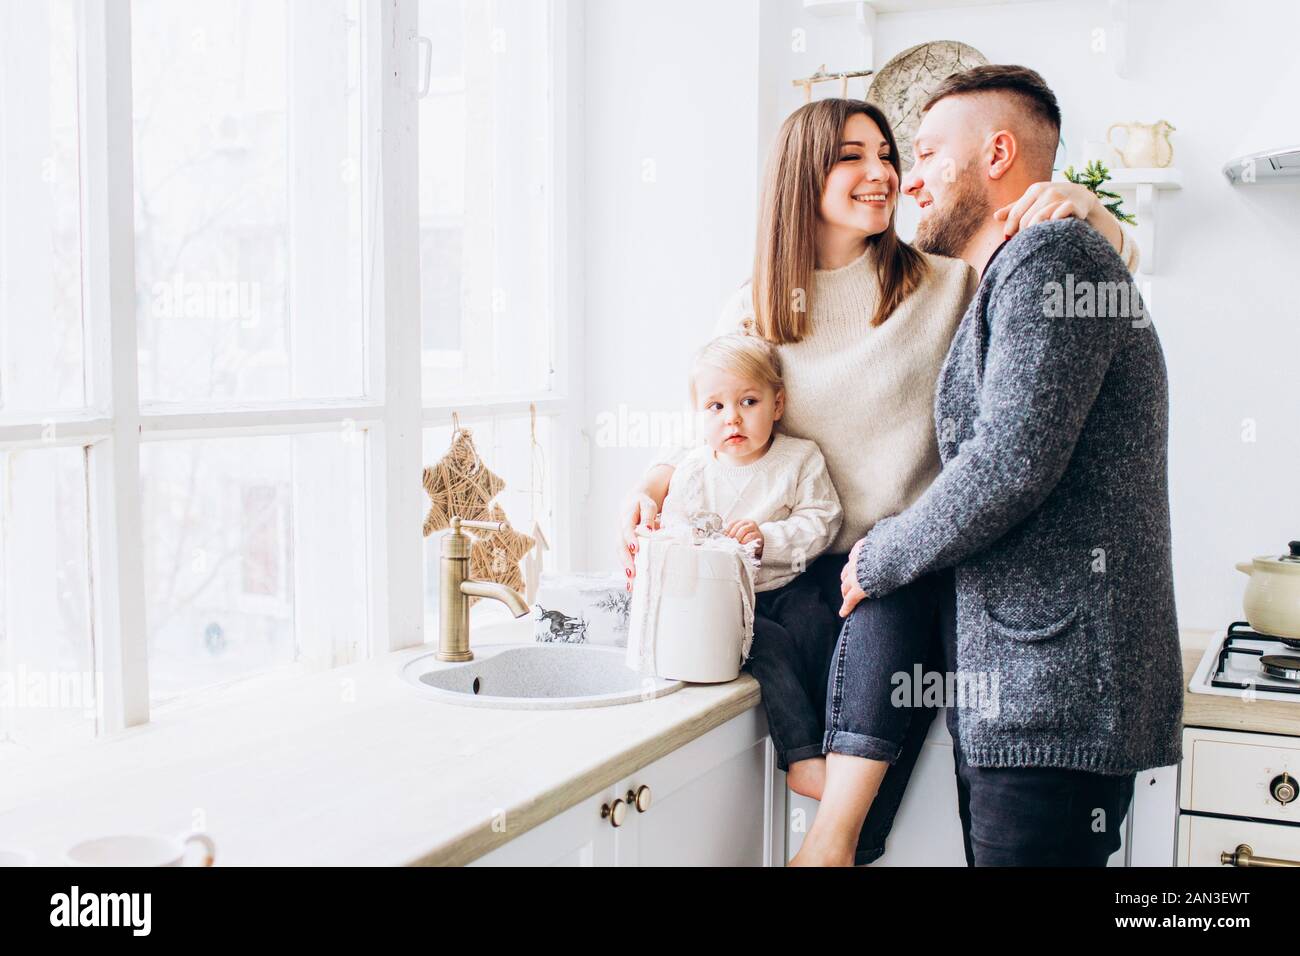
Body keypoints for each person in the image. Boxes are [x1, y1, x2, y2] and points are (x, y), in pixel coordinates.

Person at [617, 89, 1140, 864]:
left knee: (857, 813)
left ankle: (831, 842)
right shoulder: (754, 307)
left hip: (910, 579)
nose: (884, 173)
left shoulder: (943, 282)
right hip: (807, 582)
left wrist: (1099, 217)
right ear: (801, 178)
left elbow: (1072, 291)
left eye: (890, 155)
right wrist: (658, 479)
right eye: (854, 157)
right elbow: (718, 417)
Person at [813, 64, 1184, 866]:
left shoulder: (1052, 257)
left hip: (1055, 691)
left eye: (926, 152)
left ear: (998, 153)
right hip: (1030, 688)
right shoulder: (1010, 273)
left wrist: (881, 556)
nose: (909, 181)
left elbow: (1010, 462)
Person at [652, 332, 842, 777]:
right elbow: (678, 530)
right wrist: (712, 543)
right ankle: (802, 755)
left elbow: (823, 519)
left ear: (777, 405)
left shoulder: (799, 458)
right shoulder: (696, 470)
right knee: (768, 646)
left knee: (817, 627)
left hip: (787, 583)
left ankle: (833, 735)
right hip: (727, 601)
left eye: (748, 402)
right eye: (716, 407)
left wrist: (767, 539)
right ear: (698, 416)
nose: (732, 419)